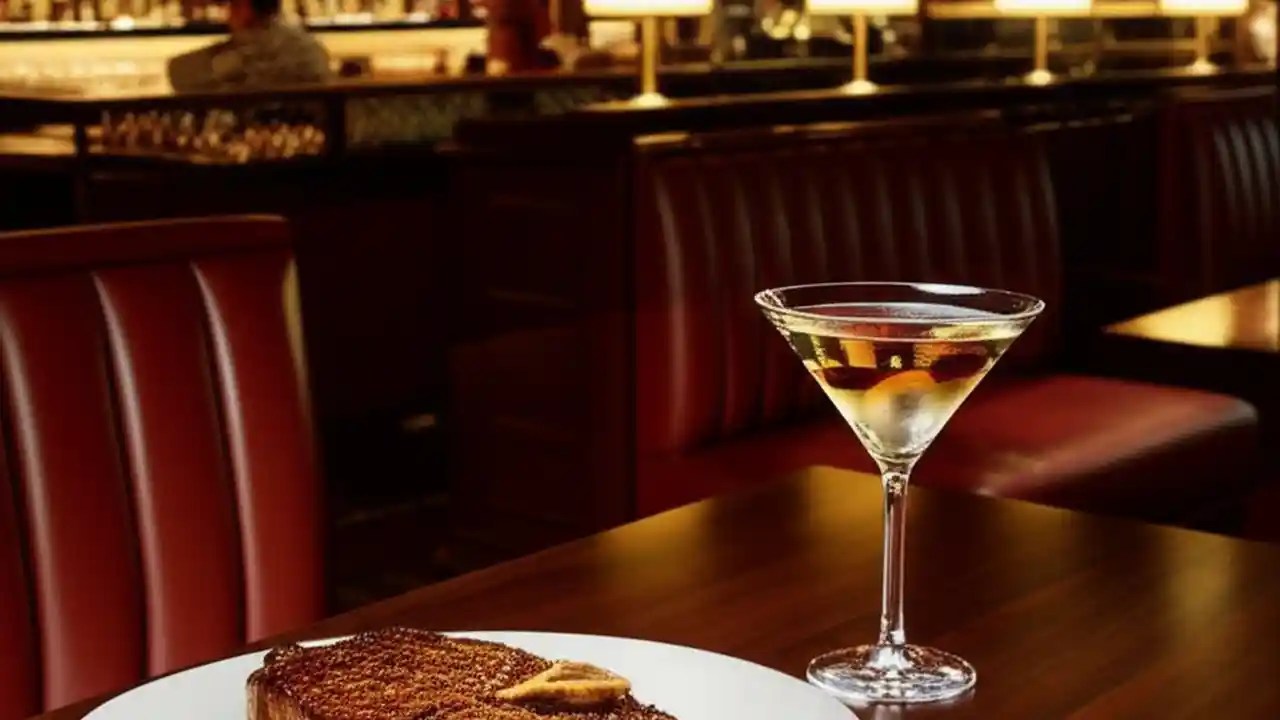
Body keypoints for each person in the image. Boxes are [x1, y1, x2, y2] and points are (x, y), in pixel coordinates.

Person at [168, 0, 331, 91]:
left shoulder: (247, 52)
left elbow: (179, 74)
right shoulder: (311, 48)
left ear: (244, 8)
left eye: (233, 6)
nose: (228, 16)